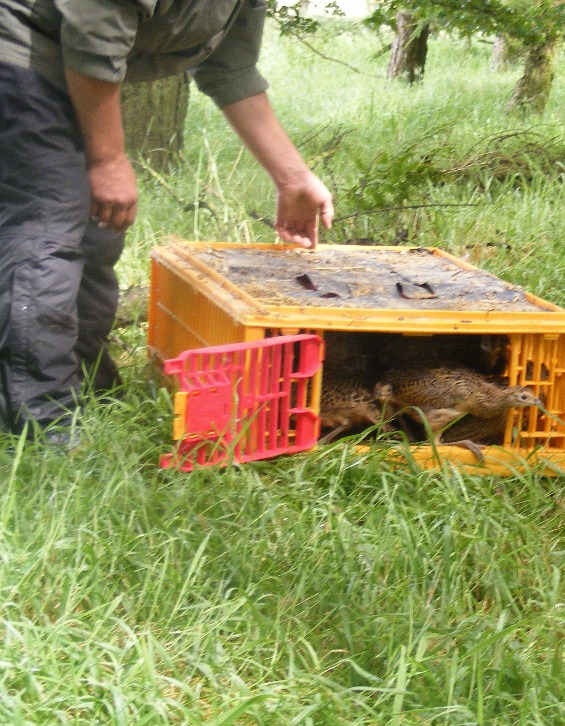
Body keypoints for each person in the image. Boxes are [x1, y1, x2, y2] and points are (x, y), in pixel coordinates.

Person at [0, 0, 334, 444]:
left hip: (74, 72)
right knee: (48, 231)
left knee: (97, 236)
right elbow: (93, 26)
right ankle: (39, 418)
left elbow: (230, 70)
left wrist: (292, 177)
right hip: (23, 55)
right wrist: (108, 158)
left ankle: (83, 382)